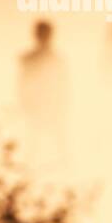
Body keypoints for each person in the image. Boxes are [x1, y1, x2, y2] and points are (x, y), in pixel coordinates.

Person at [18, 19, 68, 166]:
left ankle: (66, 170)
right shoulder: (29, 59)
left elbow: (63, 85)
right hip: (36, 105)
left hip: (51, 105)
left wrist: (61, 105)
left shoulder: (56, 60)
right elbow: (22, 83)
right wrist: (25, 102)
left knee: (59, 142)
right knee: (33, 143)